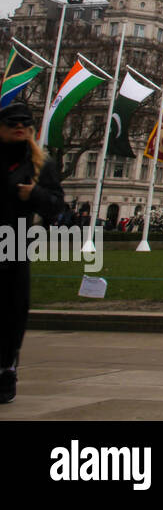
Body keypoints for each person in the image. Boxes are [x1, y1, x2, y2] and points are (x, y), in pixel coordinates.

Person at [1, 103, 64, 404]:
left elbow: (55, 205)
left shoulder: (41, 165)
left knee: (12, 311)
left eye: (25, 125)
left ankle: (7, 368)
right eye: (13, 123)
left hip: (13, 243)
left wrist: (33, 195)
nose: (19, 128)